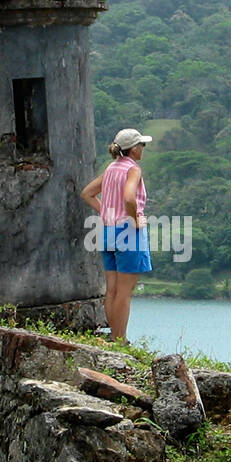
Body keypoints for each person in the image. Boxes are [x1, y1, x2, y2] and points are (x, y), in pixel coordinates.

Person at [81, 128, 153, 344]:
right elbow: (130, 198)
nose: (143, 148)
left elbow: (87, 193)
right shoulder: (133, 170)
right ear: (133, 149)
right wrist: (134, 218)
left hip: (107, 232)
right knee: (125, 291)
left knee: (111, 290)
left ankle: (114, 336)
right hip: (129, 233)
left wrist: (106, 212)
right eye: (142, 145)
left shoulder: (111, 169)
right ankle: (120, 340)